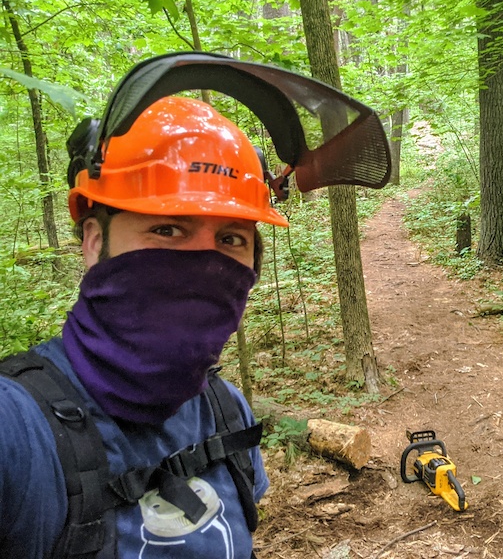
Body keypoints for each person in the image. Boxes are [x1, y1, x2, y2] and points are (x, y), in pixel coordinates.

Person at [0, 94, 290, 558]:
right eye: (168, 229)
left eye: (230, 238)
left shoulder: (227, 410)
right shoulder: (17, 430)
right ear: (95, 242)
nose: (204, 265)